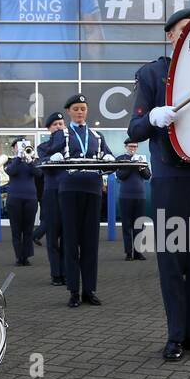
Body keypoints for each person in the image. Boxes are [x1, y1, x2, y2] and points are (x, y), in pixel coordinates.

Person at [127, 8, 190, 362]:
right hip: (170, 178)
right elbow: (134, 130)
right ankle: (175, 336)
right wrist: (153, 117)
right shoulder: (153, 73)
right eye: (185, 32)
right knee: (172, 261)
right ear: (171, 37)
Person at [48, 93, 114, 307]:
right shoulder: (62, 134)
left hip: (92, 189)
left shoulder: (97, 135)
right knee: (71, 240)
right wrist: (53, 158)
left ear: (87, 111)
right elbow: (46, 157)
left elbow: (108, 157)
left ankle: (89, 290)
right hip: (69, 189)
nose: (79, 112)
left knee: (90, 242)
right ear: (69, 111)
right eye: (75, 109)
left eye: (82, 109)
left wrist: (109, 159)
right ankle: (74, 292)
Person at [34, 112, 68, 285]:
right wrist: (51, 158)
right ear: (48, 128)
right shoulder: (43, 146)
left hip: (69, 191)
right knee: (53, 236)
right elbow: (43, 165)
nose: (59, 127)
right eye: (55, 124)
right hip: (52, 192)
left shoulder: (70, 145)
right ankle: (56, 274)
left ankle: (67, 271)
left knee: (68, 236)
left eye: (61, 124)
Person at [4, 138, 42, 265]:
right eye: (18, 146)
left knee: (28, 229)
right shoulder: (10, 161)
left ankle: (26, 257)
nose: (20, 148)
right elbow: (11, 171)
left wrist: (30, 160)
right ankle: (19, 257)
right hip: (14, 199)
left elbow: (38, 173)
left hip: (30, 199)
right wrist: (19, 158)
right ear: (14, 148)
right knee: (16, 229)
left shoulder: (33, 161)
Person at [114, 139, 151, 260]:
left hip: (140, 195)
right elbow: (120, 175)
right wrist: (131, 164)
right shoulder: (121, 158)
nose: (133, 149)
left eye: (135, 147)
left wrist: (140, 167)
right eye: (130, 146)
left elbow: (147, 175)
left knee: (139, 225)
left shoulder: (142, 158)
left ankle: (138, 252)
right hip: (125, 195)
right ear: (126, 147)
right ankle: (129, 252)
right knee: (126, 225)